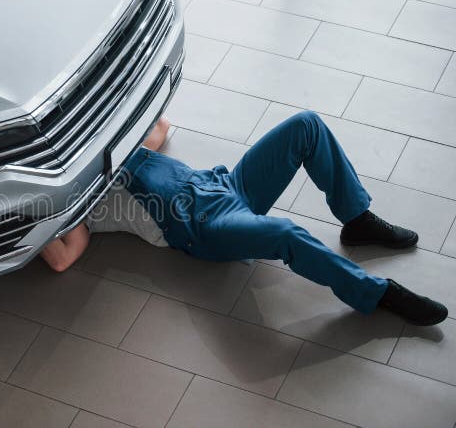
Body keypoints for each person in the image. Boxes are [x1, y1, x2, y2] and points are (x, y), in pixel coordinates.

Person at [40, 111, 448, 326]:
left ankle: (357, 219)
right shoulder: (80, 202)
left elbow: (161, 124)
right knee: (287, 233)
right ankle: (377, 294)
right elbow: (62, 257)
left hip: (228, 186)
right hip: (206, 228)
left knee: (306, 125)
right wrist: (26, 218)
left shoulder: (121, 148)